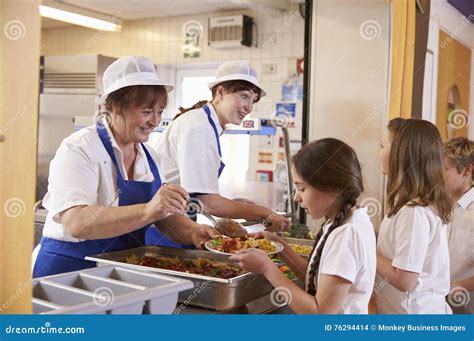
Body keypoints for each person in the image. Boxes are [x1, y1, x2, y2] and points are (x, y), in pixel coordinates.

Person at [33, 56, 217, 278]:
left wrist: (193, 232)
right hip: (70, 269)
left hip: (121, 270)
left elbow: (162, 215)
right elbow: (76, 222)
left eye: (159, 112)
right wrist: (147, 209)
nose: (155, 121)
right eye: (147, 111)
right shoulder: (79, 148)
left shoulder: (150, 156)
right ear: (117, 107)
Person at [148, 60, 289, 244]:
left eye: (253, 100)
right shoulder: (199, 127)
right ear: (220, 92)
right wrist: (265, 212)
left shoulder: (207, 124)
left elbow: (198, 195)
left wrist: (236, 204)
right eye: (244, 96)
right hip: (167, 230)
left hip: (180, 222)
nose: (249, 107)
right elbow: (210, 203)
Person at [229, 138, 376, 314]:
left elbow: (319, 313)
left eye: (302, 188)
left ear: (332, 187)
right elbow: (315, 277)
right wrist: (280, 247)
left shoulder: (347, 234)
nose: (297, 197)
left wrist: (267, 268)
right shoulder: (341, 221)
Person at [375, 118, 453, 314]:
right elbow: (396, 250)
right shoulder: (408, 204)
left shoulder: (414, 211)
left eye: (382, 145)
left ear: (401, 156)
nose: (379, 153)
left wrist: (367, 247)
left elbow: (405, 281)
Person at [444, 137, 473, 314]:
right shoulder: (438, 205)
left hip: (466, 308)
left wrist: (456, 285)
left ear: (467, 170)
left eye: (445, 169)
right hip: (438, 304)